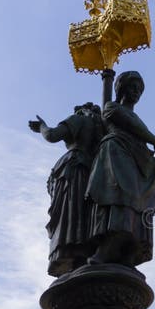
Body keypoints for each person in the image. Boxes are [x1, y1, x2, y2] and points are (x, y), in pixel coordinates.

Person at [86, 70, 155, 267]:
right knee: (121, 199)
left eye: (139, 89)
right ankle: (107, 247)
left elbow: (140, 140)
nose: (136, 92)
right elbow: (127, 123)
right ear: (121, 88)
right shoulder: (111, 107)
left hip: (135, 161)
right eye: (132, 87)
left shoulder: (139, 122)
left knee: (141, 205)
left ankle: (129, 252)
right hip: (116, 155)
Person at [29, 103, 103, 276]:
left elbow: (52, 136)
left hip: (72, 168)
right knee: (81, 213)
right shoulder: (99, 129)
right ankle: (84, 253)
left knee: (69, 212)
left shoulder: (78, 119)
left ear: (81, 110)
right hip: (89, 171)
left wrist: (41, 126)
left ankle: (71, 250)